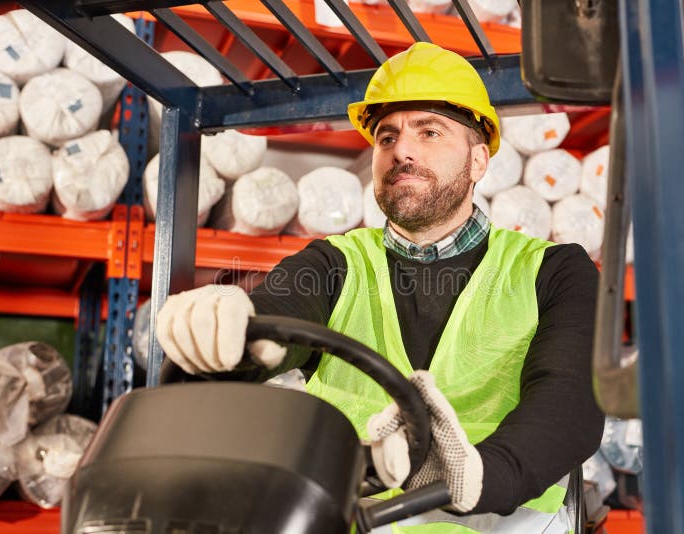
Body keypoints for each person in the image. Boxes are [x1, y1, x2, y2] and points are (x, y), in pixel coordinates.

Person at [155, 42, 604, 533]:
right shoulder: (333, 264)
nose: (402, 150)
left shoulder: (554, 271)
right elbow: (276, 319)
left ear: (479, 161)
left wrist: (479, 476)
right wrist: (229, 331)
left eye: (429, 132)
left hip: (506, 518)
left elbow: (571, 400)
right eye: (386, 136)